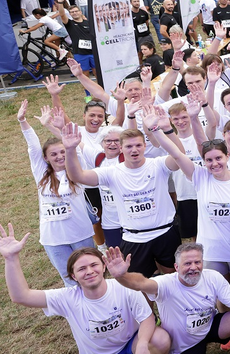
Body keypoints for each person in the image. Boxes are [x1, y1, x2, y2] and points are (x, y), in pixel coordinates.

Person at [0, 223, 171, 354]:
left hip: (131, 341)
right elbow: (21, 296)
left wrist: (142, 345)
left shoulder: (122, 287)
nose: (89, 271)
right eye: (81, 269)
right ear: (73, 276)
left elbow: (147, 318)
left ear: (104, 267)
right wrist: (11, 258)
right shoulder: (67, 298)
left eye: (94, 265)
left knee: (160, 339)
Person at [61, 106, 189, 278]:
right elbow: (78, 176)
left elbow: (180, 156)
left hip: (165, 233)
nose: (134, 150)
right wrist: (70, 150)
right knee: (139, 285)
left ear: (145, 146)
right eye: (129, 146)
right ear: (121, 148)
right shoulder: (112, 172)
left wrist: (164, 129)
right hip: (134, 239)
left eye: (138, 145)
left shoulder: (158, 164)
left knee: (173, 278)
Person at [17, 101, 95, 284]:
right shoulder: (41, 173)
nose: (60, 156)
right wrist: (22, 121)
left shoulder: (77, 169)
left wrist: (59, 128)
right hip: (53, 239)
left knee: (90, 277)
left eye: (62, 152)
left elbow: (73, 146)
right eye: (53, 154)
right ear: (45, 158)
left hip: (81, 234)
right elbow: (32, 146)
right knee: (69, 280)